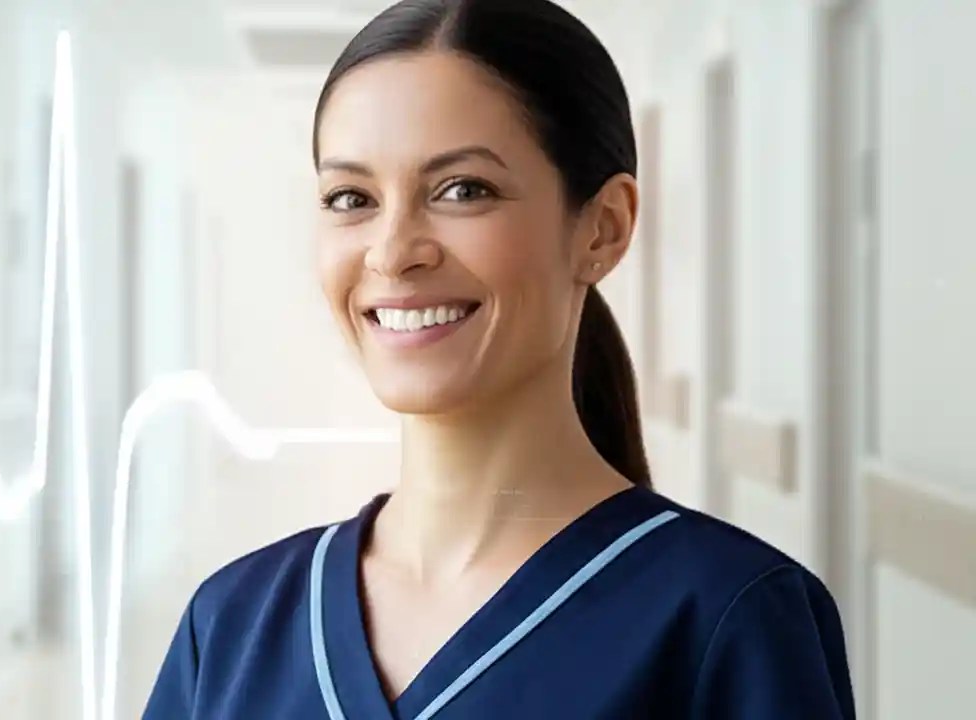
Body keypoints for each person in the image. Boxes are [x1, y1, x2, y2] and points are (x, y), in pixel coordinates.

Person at [144, 0, 856, 717]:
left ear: (602, 230)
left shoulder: (728, 620)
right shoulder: (231, 626)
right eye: (351, 197)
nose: (393, 251)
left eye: (462, 190)